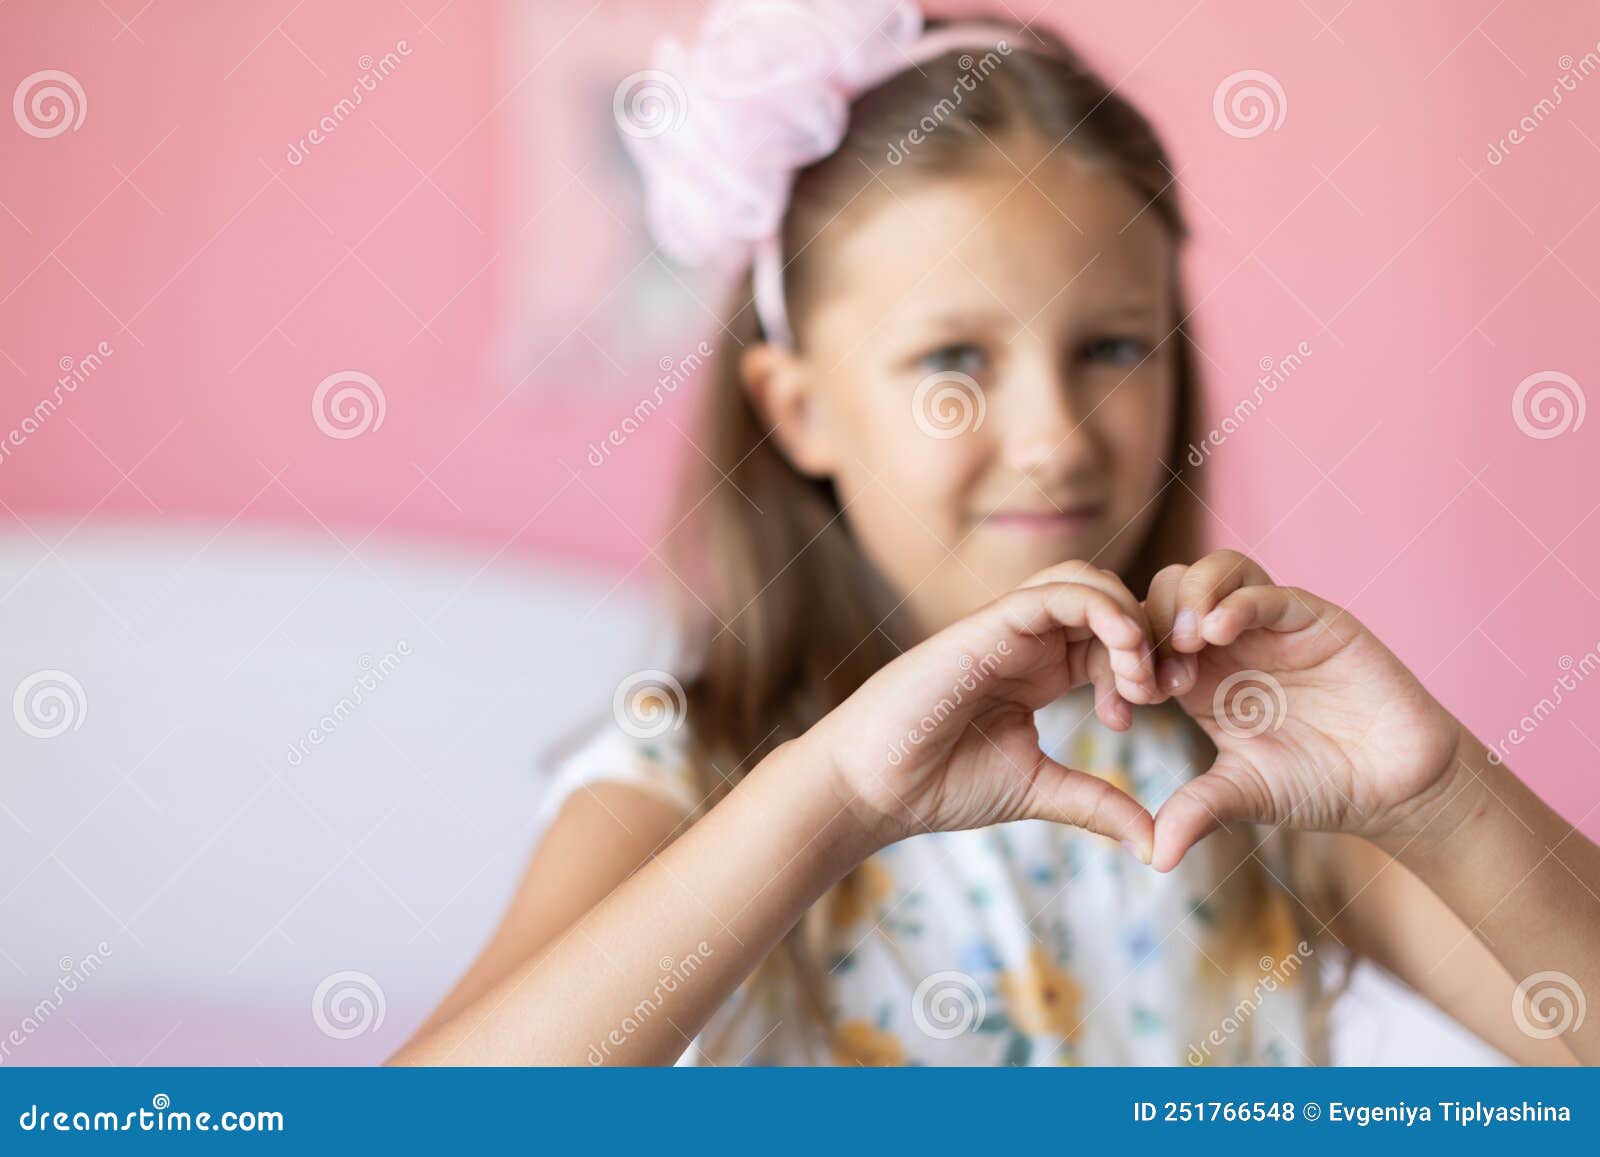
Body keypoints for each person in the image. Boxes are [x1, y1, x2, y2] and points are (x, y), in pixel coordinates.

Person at [392, 1, 1595, 1066]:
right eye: (955, 359)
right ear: (798, 410)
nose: (1054, 439)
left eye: (1112, 347)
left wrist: (1439, 797)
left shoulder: (1257, 770)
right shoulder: (684, 777)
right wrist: (830, 801)